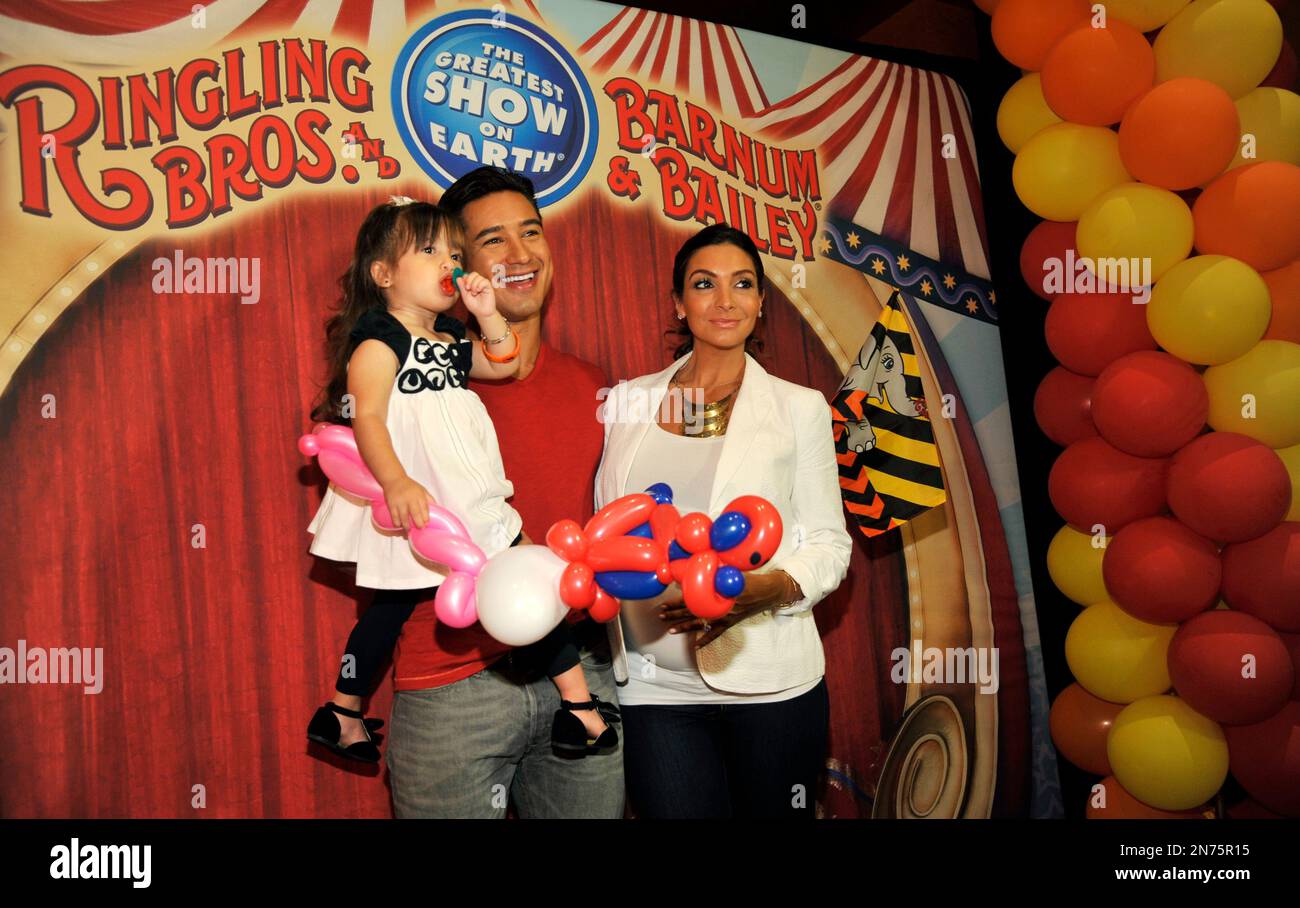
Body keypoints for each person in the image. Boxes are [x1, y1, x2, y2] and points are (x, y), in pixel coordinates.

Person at [303, 197, 617, 767]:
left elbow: (501, 362)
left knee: (413, 601)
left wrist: (488, 312)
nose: (448, 261)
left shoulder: (448, 338)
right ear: (383, 274)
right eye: (428, 251)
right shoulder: (378, 341)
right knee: (501, 577)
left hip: (464, 486)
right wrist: (396, 482)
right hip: (427, 497)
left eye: (453, 250)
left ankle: (342, 711)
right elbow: (367, 416)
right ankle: (580, 708)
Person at [383, 168, 626, 818]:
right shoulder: (412, 372)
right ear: (455, 269)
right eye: (493, 240)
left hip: (582, 672)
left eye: (532, 232)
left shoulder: (593, 384)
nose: (520, 255)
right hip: (454, 684)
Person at [595, 223, 853, 818]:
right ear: (679, 305)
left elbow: (828, 544)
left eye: (743, 284)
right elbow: (611, 529)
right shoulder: (628, 401)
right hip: (651, 683)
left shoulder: (797, 407)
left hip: (769, 683)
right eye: (704, 284)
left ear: (761, 304)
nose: (725, 300)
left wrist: (761, 592)